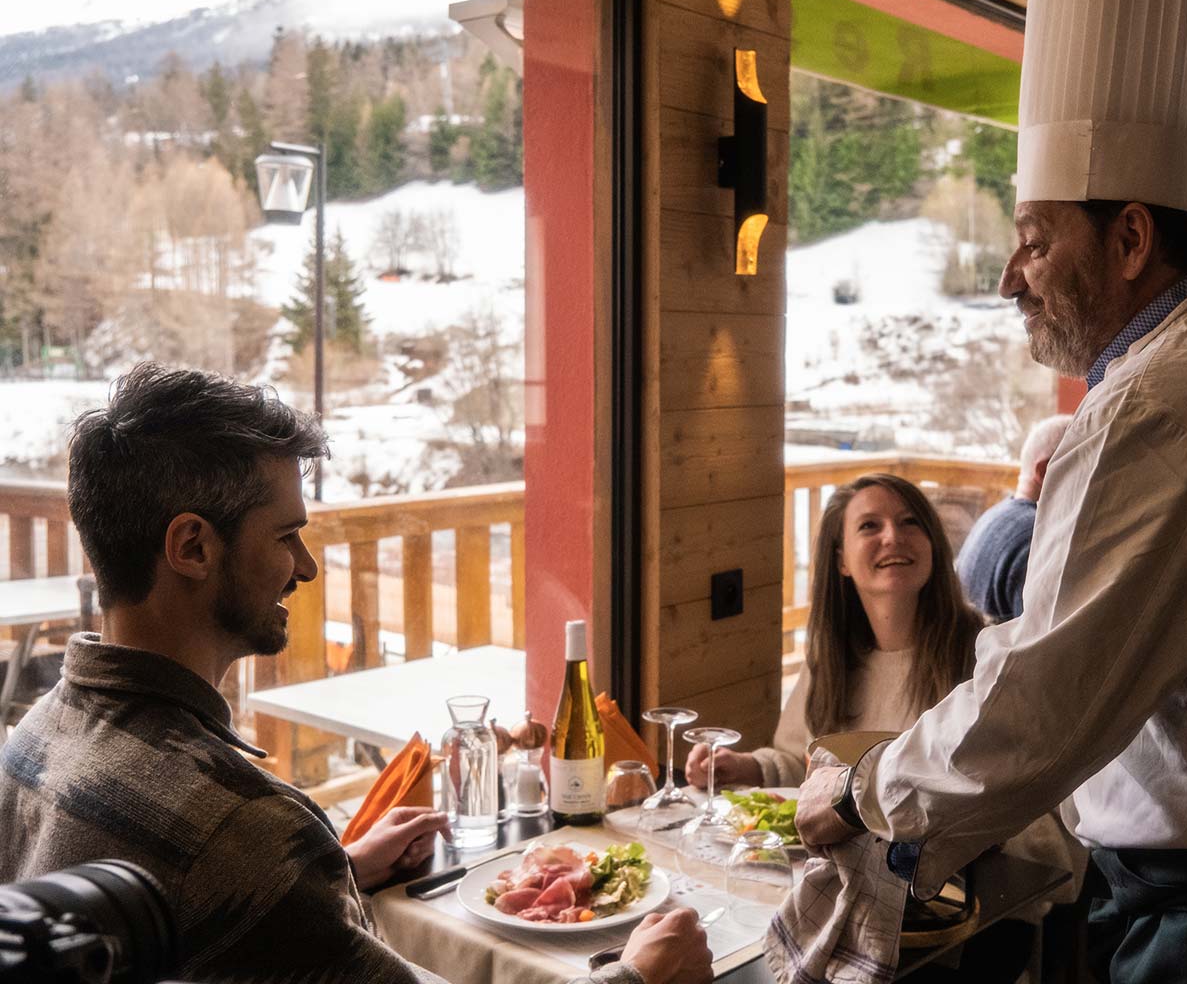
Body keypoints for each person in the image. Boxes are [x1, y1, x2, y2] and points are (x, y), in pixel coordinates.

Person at [794, 0, 1187, 981]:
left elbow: (1045, 692)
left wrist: (862, 795)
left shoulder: (1154, 402)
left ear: (1131, 239)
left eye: (1031, 241)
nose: (1009, 277)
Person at [0, 364, 711, 984]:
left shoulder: (31, 741)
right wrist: (640, 977)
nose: (305, 567)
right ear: (191, 546)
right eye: (285, 536)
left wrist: (332, 869)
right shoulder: (243, 830)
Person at [688, 474, 1080, 982]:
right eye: (870, 526)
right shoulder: (832, 660)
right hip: (852, 904)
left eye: (909, 522)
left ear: (934, 545)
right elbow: (803, 766)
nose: (893, 537)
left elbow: (1046, 811)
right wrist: (748, 767)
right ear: (841, 562)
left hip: (965, 919)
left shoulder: (986, 656)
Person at [956, 414, 1072, 623]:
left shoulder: (994, 515)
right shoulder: (1037, 540)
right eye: (1084, 466)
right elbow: (1039, 644)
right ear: (1045, 471)